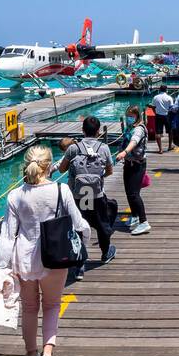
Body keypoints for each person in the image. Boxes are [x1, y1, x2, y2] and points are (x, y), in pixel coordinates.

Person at [0, 144, 89, 356]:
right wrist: (84, 244)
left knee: (29, 309)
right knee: (52, 305)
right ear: (48, 165)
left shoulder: (15, 196)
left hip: (23, 260)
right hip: (54, 258)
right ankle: (48, 355)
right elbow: (79, 223)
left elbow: (7, 236)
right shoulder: (61, 190)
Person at [57, 115, 116, 276]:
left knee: (78, 227)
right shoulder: (104, 148)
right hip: (96, 195)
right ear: (98, 132)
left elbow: (62, 169)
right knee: (103, 225)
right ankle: (105, 253)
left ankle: (79, 265)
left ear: (82, 130)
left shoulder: (73, 149)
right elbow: (110, 171)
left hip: (77, 196)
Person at [115, 106, 151, 234]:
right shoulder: (129, 128)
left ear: (137, 116)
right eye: (127, 115)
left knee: (134, 194)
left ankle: (144, 221)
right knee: (129, 192)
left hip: (137, 164)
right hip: (128, 164)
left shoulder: (139, 129)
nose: (129, 118)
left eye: (131, 116)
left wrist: (125, 152)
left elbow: (134, 142)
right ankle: (135, 216)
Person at [150, 86, 174, 153]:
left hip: (158, 116)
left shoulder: (155, 97)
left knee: (158, 133)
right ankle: (169, 146)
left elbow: (153, 107)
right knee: (170, 131)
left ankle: (160, 149)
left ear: (159, 90)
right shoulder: (169, 98)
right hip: (167, 116)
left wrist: (155, 113)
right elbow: (171, 108)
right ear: (166, 90)